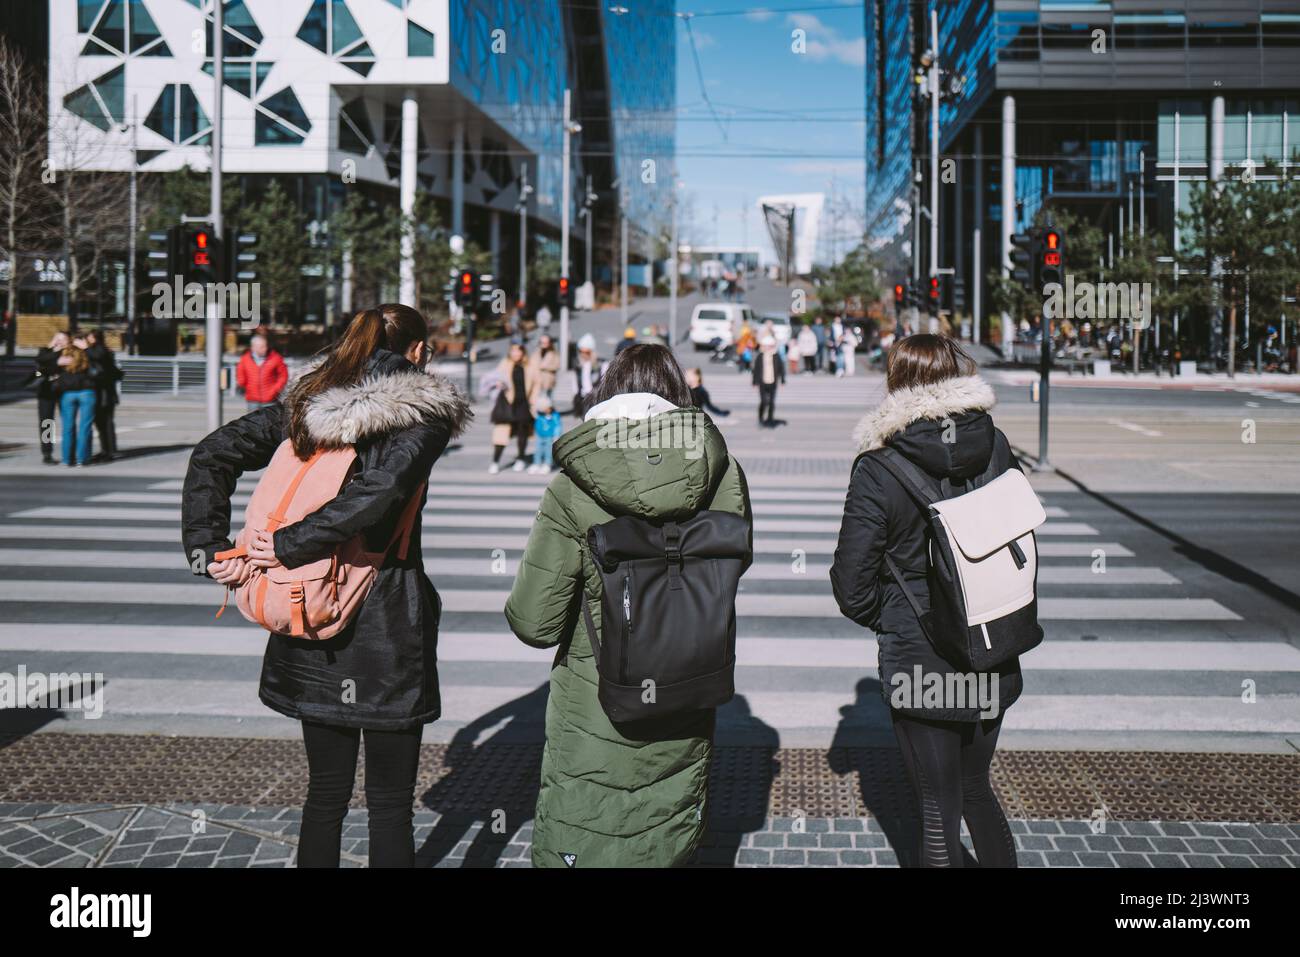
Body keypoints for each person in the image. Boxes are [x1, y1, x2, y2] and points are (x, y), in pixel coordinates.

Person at [181, 304, 470, 868]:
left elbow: (211, 454)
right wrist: (290, 542)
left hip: (306, 611)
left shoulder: (308, 404)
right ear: (416, 352)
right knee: (390, 806)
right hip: (387, 618)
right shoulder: (423, 415)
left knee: (325, 795)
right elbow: (379, 496)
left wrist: (209, 545)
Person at [504, 343, 752, 867]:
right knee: (664, 839)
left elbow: (535, 622)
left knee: (587, 839)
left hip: (595, 705)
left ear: (607, 390)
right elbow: (730, 569)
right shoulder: (722, 472)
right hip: (688, 686)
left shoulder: (573, 487)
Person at [830, 334, 1022, 868]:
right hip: (992, 642)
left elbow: (851, 585)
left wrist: (894, 619)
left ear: (896, 383)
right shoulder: (998, 445)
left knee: (937, 805)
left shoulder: (879, 467)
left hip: (921, 658)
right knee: (977, 788)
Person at [490, 341, 539, 473]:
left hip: (523, 404)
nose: (515, 353)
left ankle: (521, 458)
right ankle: (495, 461)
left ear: (523, 352)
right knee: (501, 433)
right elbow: (494, 379)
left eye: (518, 350)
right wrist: (498, 384)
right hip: (507, 404)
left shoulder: (530, 366)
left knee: (522, 432)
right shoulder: (504, 364)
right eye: (513, 351)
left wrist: (533, 402)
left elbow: (536, 385)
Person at [27, 331, 69, 464]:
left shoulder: (70, 352)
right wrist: (56, 359)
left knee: (68, 421)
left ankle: (69, 452)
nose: (60, 341)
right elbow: (40, 364)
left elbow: (64, 364)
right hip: (46, 391)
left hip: (64, 390)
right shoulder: (44, 351)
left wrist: (54, 360)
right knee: (47, 423)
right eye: (57, 338)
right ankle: (47, 453)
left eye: (63, 339)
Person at [52, 345, 97, 467]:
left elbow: (43, 370)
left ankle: (66, 459)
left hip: (68, 394)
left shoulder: (63, 364)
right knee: (85, 426)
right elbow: (98, 370)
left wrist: (56, 360)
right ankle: (82, 459)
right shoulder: (87, 361)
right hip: (87, 393)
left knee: (67, 427)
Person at [83, 329, 123, 461]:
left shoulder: (100, 350)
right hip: (102, 392)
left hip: (105, 394)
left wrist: (85, 348)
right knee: (101, 423)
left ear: (95, 338)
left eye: (89, 336)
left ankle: (109, 451)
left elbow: (98, 356)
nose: (86, 339)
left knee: (105, 422)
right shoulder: (97, 350)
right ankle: (106, 449)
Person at [235, 331, 289, 411]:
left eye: (265, 346)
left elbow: (283, 376)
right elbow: (240, 374)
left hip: (270, 399)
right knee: (253, 421)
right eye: (261, 347)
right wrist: (244, 385)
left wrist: (275, 390)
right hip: (252, 399)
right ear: (253, 347)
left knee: (269, 422)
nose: (265, 349)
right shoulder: (245, 359)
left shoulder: (276, 358)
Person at [752, 334, 784, 427]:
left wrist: (782, 380)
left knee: (771, 402)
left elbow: (781, 368)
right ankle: (761, 419)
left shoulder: (776, 355)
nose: (767, 347)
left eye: (769, 346)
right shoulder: (760, 356)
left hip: (773, 382)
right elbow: (756, 369)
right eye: (765, 345)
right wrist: (754, 381)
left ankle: (770, 419)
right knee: (763, 401)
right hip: (762, 382)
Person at [572, 333, 603, 418]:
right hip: (582, 399)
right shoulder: (578, 364)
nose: (583, 354)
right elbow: (575, 381)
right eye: (581, 351)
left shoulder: (599, 365)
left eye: (587, 352)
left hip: (594, 400)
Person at [530, 394, 562, 474]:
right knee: (538, 450)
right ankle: (536, 463)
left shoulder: (554, 415)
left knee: (548, 451)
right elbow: (532, 410)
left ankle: (547, 464)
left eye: (548, 408)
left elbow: (557, 426)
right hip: (540, 435)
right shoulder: (539, 415)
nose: (547, 410)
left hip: (550, 436)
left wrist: (556, 435)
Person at [532, 333, 560, 399]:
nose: (544, 344)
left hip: (548, 382)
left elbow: (556, 366)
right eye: (542, 342)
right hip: (537, 381)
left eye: (546, 342)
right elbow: (532, 364)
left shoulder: (554, 354)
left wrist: (544, 367)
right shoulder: (536, 353)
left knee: (547, 402)